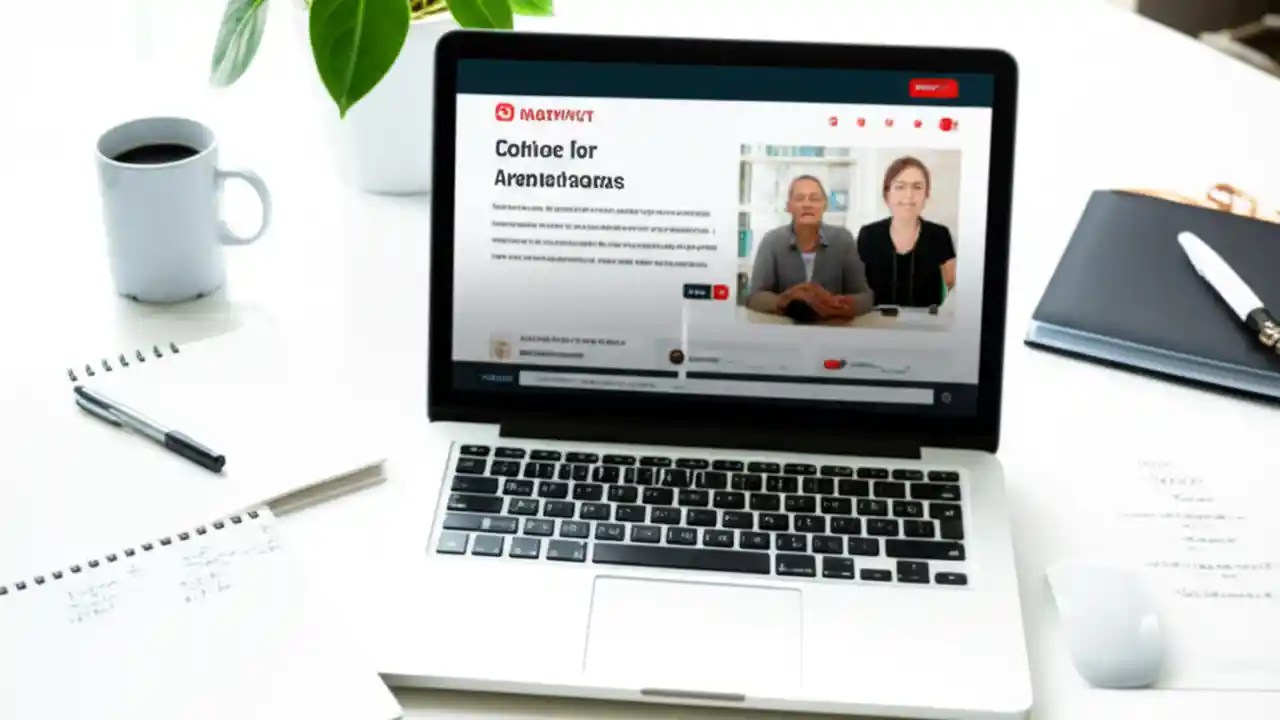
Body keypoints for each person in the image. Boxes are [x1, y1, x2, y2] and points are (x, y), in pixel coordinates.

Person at [746, 175, 874, 321]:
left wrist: (840, 304)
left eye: (814, 198)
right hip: (783, 332)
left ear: (825, 205)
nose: (807, 204)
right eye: (800, 198)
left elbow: (866, 298)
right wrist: (784, 300)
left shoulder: (842, 239)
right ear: (788, 206)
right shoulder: (772, 241)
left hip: (832, 331)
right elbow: (754, 298)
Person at [856, 156, 956, 308]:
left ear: (926, 194)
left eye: (917, 187)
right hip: (876, 326)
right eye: (900, 187)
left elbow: (955, 288)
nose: (909, 196)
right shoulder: (869, 234)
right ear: (887, 194)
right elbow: (854, 289)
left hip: (927, 327)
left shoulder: (939, 235)